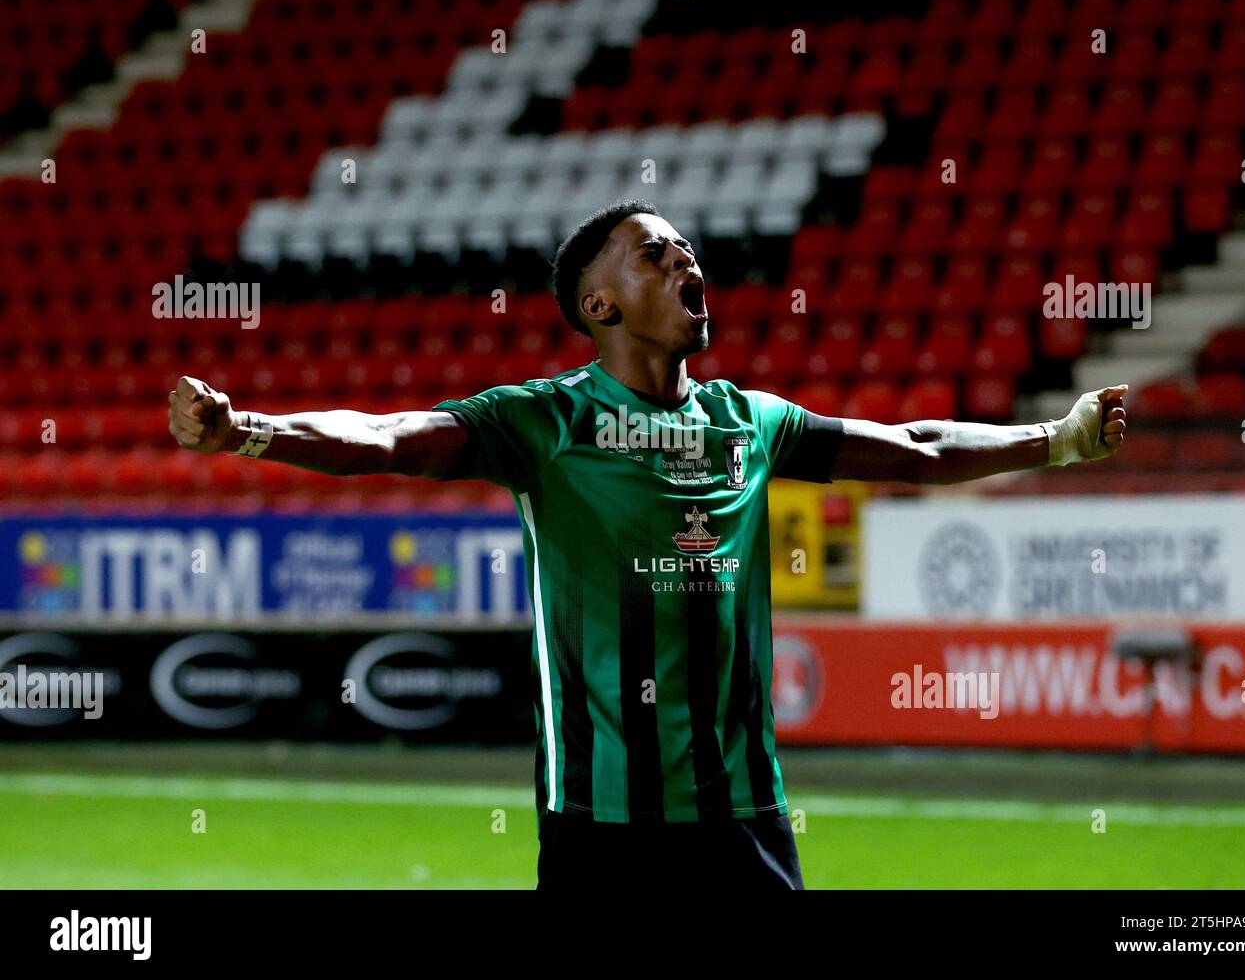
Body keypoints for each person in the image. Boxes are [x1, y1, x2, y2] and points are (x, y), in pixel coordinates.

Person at [168, 199, 1127, 890]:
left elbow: (918, 449)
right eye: (654, 253)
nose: (684, 261)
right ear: (600, 306)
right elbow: (388, 438)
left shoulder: (753, 422)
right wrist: (249, 428)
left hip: (743, 819)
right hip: (598, 830)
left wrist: (1060, 437)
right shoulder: (543, 421)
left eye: (686, 250)